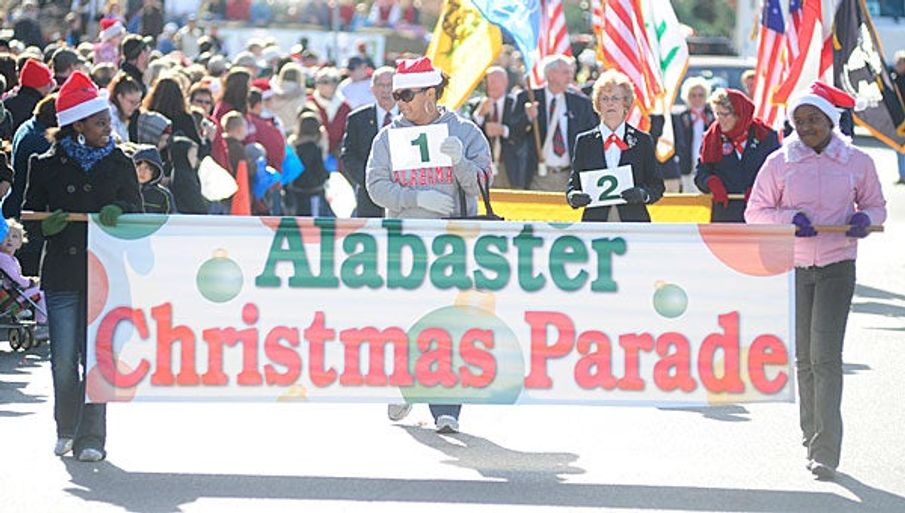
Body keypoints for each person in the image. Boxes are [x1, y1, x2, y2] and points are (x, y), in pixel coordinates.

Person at [745, 82, 887, 481]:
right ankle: (811, 437)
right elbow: (756, 212)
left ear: (830, 120)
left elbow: (875, 205)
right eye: (799, 121)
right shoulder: (780, 161)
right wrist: (790, 221)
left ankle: (826, 449)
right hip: (792, 267)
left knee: (825, 357)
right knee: (803, 359)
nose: (806, 127)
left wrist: (864, 220)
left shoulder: (856, 161)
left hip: (837, 265)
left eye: (814, 120)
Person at [366, 56, 491, 433]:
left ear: (430, 93)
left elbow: (483, 184)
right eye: (396, 95)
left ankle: (446, 406)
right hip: (408, 243)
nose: (398, 102)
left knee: (448, 322)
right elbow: (375, 186)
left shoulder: (466, 132)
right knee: (409, 319)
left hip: (454, 243)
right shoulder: (387, 136)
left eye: (406, 94)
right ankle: (405, 386)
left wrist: (461, 165)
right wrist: (416, 197)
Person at [23, 71, 143, 462]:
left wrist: (120, 211)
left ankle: (93, 437)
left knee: (94, 358)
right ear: (77, 125)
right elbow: (28, 214)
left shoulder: (122, 163)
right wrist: (46, 224)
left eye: (108, 120)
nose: (108, 128)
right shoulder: (44, 164)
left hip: (103, 274)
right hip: (61, 270)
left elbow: (137, 212)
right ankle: (65, 427)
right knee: (62, 359)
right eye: (100, 121)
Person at [567, 70, 664, 222]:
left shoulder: (642, 141)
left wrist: (643, 194)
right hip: (596, 220)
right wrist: (573, 197)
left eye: (615, 98)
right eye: (604, 99)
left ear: (626, 103)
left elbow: (657, 185)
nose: (610, 103)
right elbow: (574, 184)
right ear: (598, 104)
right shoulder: (585, 141)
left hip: (633, 219)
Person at [508, 55, 597, 192]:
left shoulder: (580, 103)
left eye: (571, 72)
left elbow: (591, 138)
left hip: (570, 178)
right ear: (550, 75)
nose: (570, 76)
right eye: (566, 72)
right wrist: (528, 117)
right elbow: (513, 136)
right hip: (537, 177)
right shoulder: (528, 98)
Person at [694, 89, 780, 222]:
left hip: (761, 213)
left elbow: (778, 173)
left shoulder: (766, 136)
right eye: (717, 114)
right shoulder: (712, 137)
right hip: (725, 214)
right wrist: (710, 182)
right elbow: (701, 173)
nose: (720, 120)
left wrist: (761, 189)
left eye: (725, 114)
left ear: (740, 114)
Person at [341, 65, 396, 218]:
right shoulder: (357, 118)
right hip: (368, 196)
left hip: (403, 195)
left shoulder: (410, 117)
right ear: (372, 88)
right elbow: (348, 155)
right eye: (381, 85)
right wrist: (370, 181)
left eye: (390, 85)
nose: (385, 90)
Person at [468, 66, 523, 189]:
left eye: (496, 81)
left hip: (508, 167)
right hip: (482, 166)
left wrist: (503, 130)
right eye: (489, 81)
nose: (492, 85)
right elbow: (468, 132)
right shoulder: (476, 104)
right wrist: (480, 114)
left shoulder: (516, 103)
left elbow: (522, 132)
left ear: (505, 82)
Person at [0, 219, 48, 335]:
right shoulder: (3, 258)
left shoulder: (12, 259)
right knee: (42, 292)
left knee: (38, 290)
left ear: (20, 242)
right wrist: (31, 281)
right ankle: (41, 324)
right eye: (6, 235)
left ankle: (36, 321)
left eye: (14, 236)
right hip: (9, 298)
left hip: (12, 295)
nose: (9, 239)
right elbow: (16, 280)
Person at [672, 76, 714, 193]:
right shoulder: (680, 116)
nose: (697, 98)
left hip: (706, 163)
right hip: (687, 164)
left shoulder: (712, 116)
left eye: (701, 95)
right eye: (693, 95)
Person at [288, 113, 332, 217]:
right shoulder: (315, 149)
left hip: (296, 191)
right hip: (313, 192)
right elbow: (320, 172)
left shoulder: (294, 148)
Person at [304, 67, 352, 159]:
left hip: (337, 155)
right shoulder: (309, 103)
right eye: (318, 81)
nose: (320, 85)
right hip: (313, 153)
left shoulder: (345, 106)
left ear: (335, 84)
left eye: (325, 82)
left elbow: (349, 131)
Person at [4, 59, 55, 133]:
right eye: (48, 83)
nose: (50, 87)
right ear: (41, 84)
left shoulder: (7, 102)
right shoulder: (41, 108)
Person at [168, 136, 210, 214]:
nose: (196, 159)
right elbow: (198, 206)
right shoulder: (184, 177)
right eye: (193, 155)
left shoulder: (184, 172)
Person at [131, 144, 175, 213]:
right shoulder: (125, 191)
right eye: (138, 167)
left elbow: (171, 220)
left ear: (155, 172)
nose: (142, 172)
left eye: (148, 168)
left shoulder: (164, 196)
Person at [108, 71, 143, 143]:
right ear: (120, 97)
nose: (135, 107)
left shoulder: (124, 116)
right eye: (132, 102)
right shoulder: (110, 116)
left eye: (138, 103)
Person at [892, 50, 905, 185]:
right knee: (900, 148)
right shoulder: (893, 80)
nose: (897, 65)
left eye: (900, 62)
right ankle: (903, 175)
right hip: (899, 120)